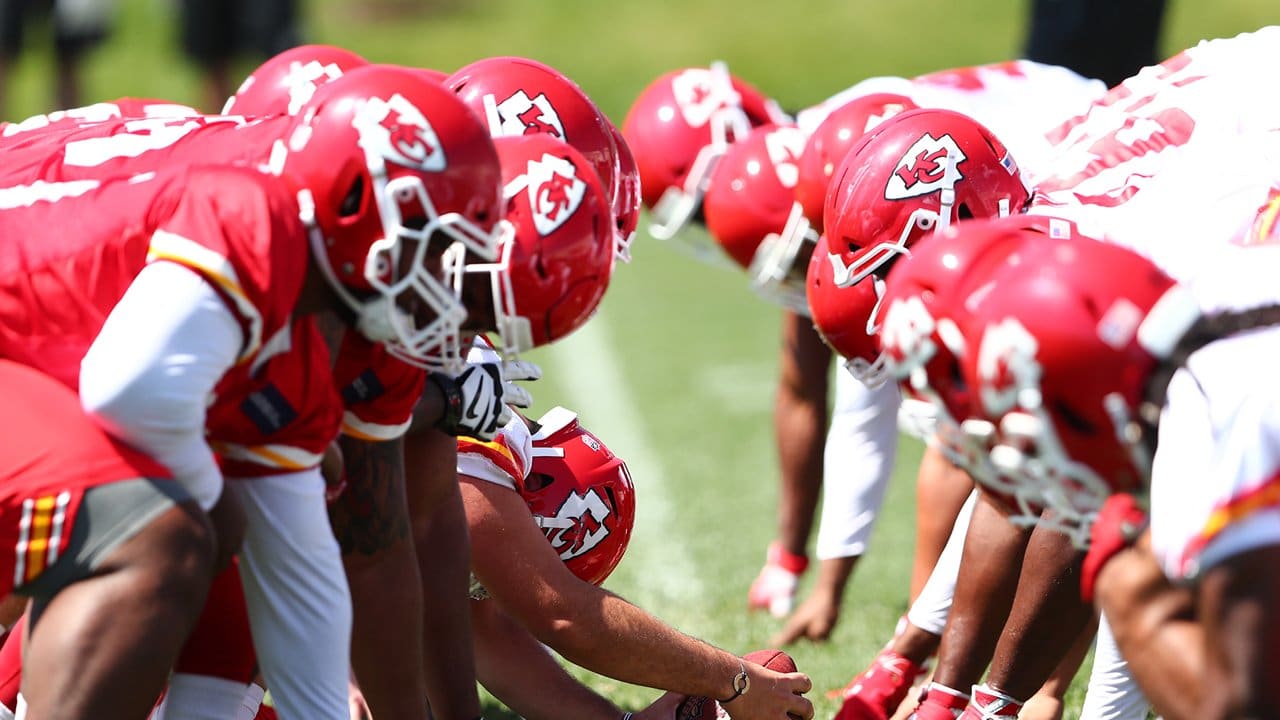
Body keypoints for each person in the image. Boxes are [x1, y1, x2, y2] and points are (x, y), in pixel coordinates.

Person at [0, 63, 512, 719]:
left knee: (214, 537)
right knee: (159, 532)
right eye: (437, 249)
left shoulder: (300, 343)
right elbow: (128, 389)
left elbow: (303, 592)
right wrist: (217, 507)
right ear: (359, 201)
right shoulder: (254, 212)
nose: (446, 291)